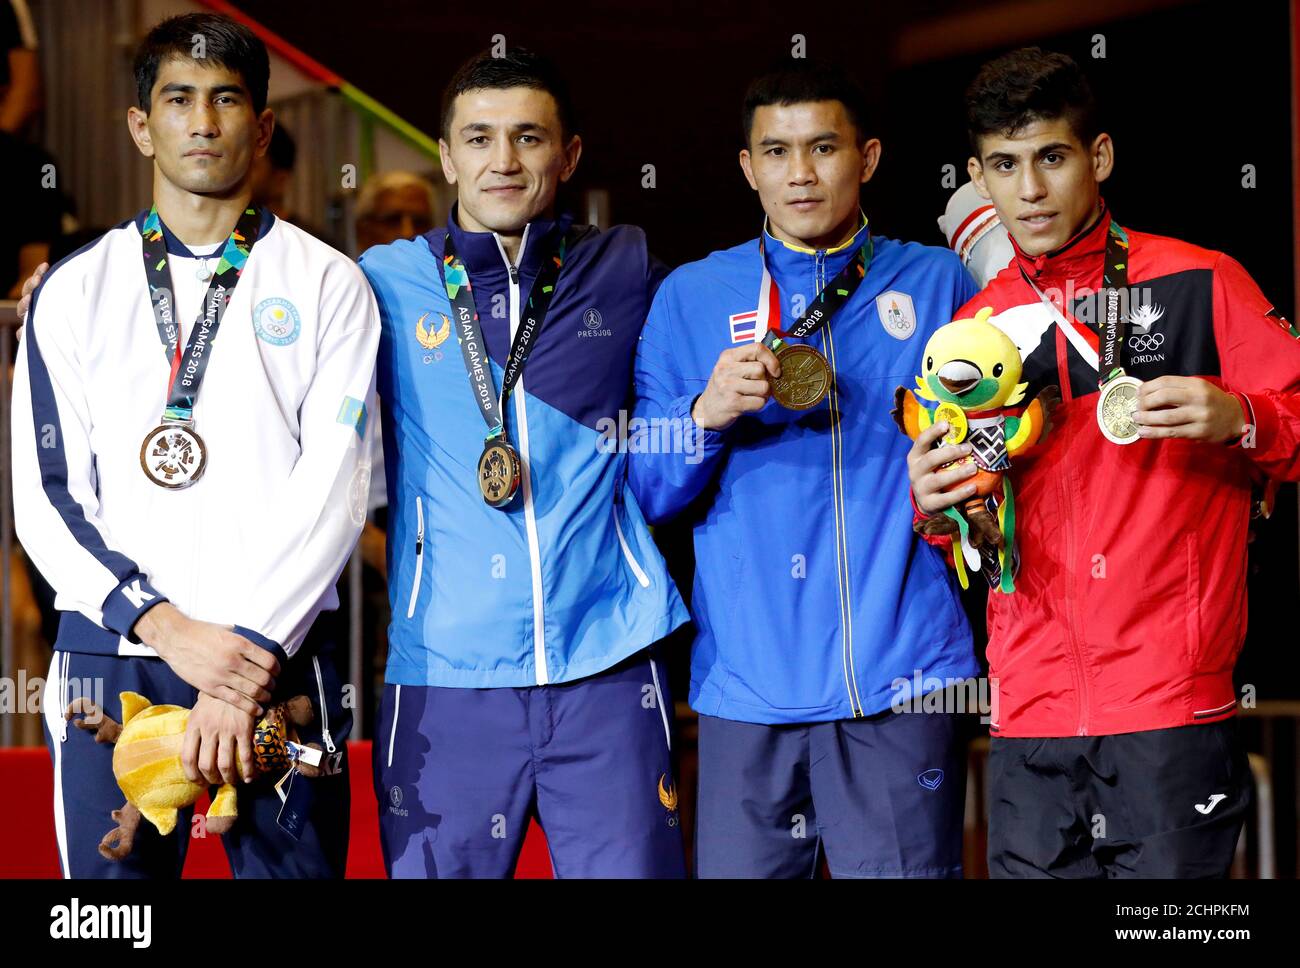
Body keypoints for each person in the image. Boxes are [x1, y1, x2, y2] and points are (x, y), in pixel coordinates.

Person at [910, 46, 1300, 878]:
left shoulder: (1201, 281)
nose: (1030, 189)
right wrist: (939, 505)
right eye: (1005, 166)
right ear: (978, 177)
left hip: (1168, 707)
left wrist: (1243, 417)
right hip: (1029, 712)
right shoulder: (973, 332)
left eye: (1052, 158)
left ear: (1100, 156)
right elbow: (967, 530)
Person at [11, 12, 378, 878]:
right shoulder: (73, 289)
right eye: (178, 100)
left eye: (225, 99)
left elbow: (334, 489)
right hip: (117, 654)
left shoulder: (329, 283)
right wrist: (169, 630)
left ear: (264, 125)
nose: (203, 122)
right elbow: (46, 496)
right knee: (112, 923)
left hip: (280, 657)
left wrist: (244, 656)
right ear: (142, 126)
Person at [629, 60, 979, 878]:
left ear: (869, 157)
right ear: (748, 167)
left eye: (823, 147)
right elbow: (645, 492)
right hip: (747, 687)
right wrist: (705, 412)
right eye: (777, 152)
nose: (801, 174)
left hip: (903, 679)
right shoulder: (691, 295)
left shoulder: (938, 283)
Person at [358, 47, 690, 878]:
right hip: (444, 675)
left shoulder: (623, 268)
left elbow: (738, 305)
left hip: (608, 665)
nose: (502, 160)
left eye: (528, 137)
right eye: (479, 138)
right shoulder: (380, 283)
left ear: (568, 155)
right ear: (446, 156)